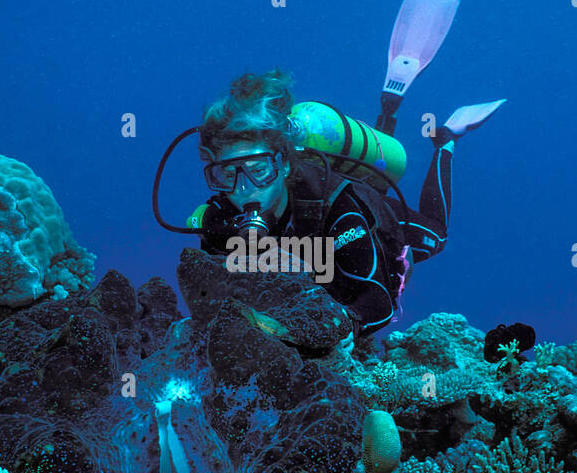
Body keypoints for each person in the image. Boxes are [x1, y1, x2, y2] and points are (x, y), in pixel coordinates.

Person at [195, 68, 463, 336]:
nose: (244, 189)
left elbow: (378, 300)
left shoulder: (336, 206)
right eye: (228, 174)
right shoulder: (219, 222)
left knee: (436, 236)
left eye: (258, 170)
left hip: (374, 218)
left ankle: (445, 143)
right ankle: (386, 122)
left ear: (285, 164)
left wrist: (341, 327)